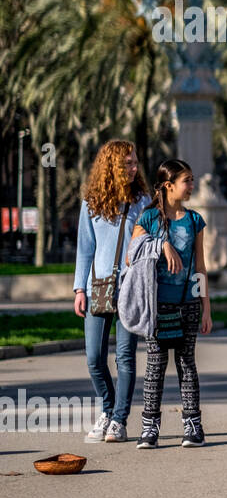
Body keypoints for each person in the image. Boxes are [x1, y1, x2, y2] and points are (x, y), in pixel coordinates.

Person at [129, 159, 212, 448]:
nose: (191, 186)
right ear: (169, 185)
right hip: (158, 305)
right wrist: (161, 244)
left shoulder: (194, 221)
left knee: (187, 363)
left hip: (188, 303)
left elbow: (200, 266)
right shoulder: (148, 218)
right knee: (156, 364)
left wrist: (205, 307)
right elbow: (131, 255)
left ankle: (193, 426)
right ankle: (149, 428)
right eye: (186, 180)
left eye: (191, 180)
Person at [74, 140, 151, 444]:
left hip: (130, 289)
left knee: (125, 357)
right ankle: (107, 409)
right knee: (94, 357)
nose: (134, 168)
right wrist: (79, 288)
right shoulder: (91, 202)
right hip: (98, 289)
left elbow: (150, 241)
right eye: (127, 163)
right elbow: (85, 248)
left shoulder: (143, 201)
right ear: (111, 166)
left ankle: (119, 419)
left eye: (135, 163)